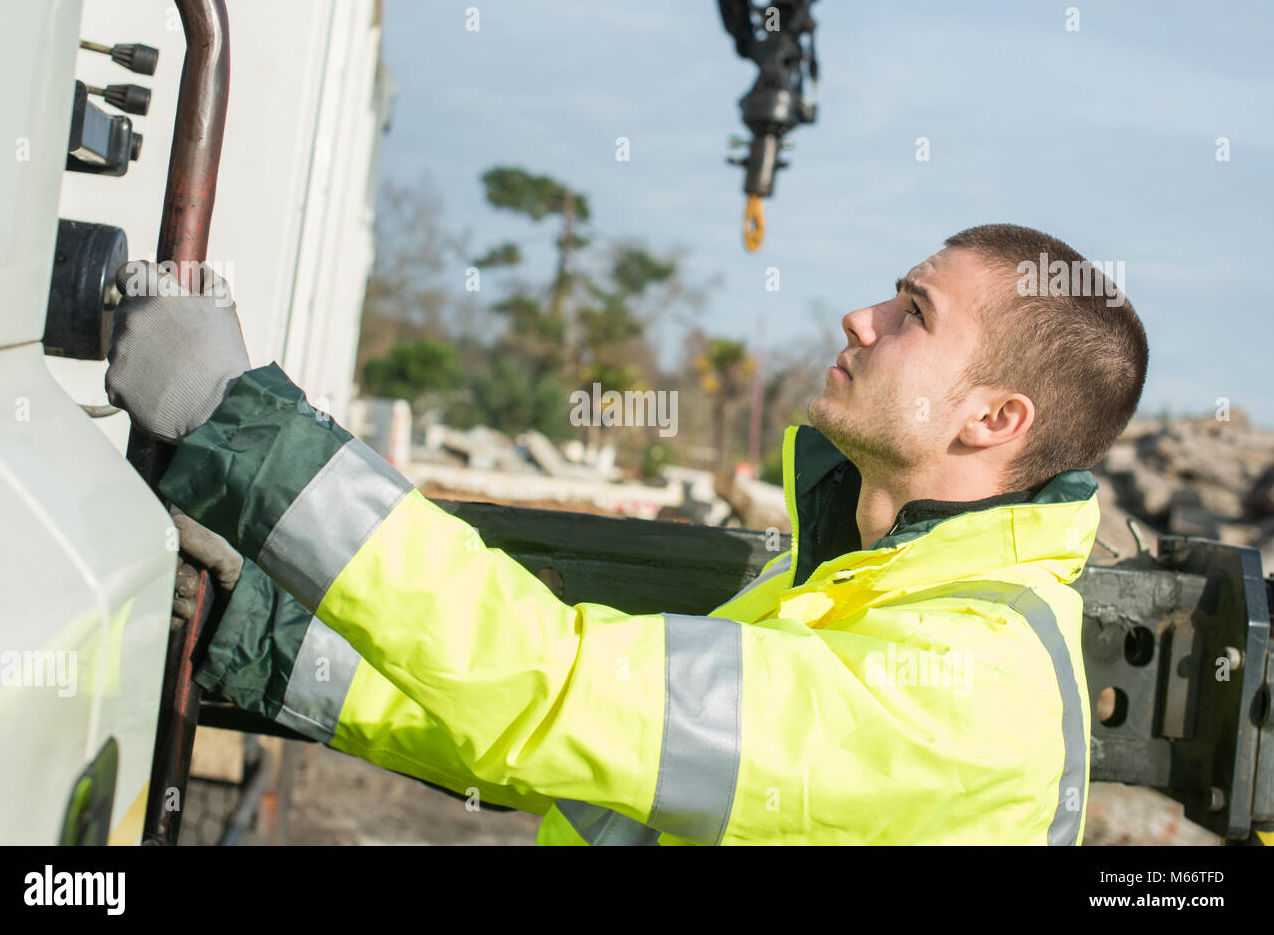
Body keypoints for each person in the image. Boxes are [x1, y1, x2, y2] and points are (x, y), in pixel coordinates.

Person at [105, 223, 1149, 845]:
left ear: (994, 420)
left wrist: (243, 424)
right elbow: (578, 750)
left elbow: (553, 686)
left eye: (913, 313)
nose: (859, 318)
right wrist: (273, 641)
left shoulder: (966, 689)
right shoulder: (859, 587)